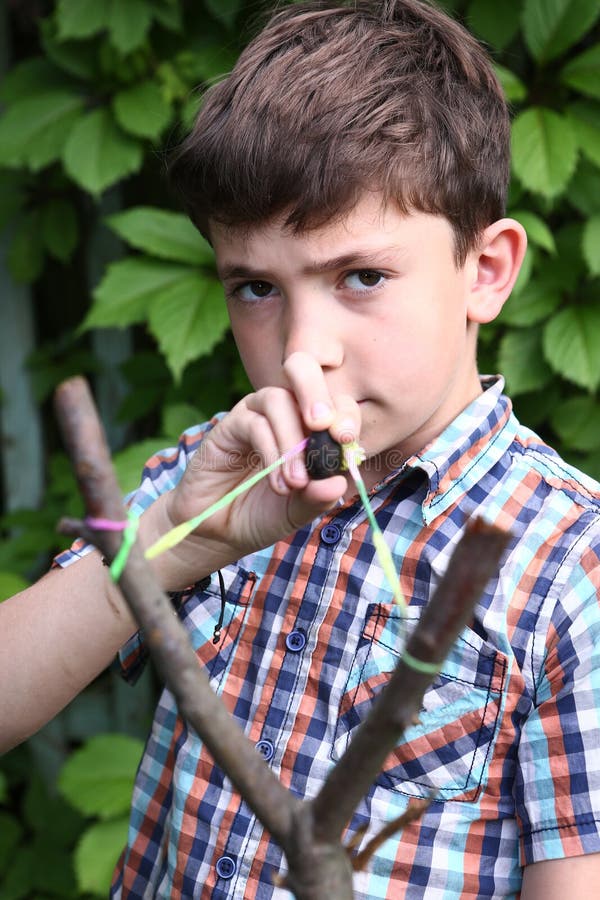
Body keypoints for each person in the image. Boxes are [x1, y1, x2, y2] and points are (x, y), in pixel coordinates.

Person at [2, 0, 600, 896]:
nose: (298, 349)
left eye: (361, 276)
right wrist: (178, 537)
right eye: (254, 288)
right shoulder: (213, 477)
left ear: (486, 271)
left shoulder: (570, 570)